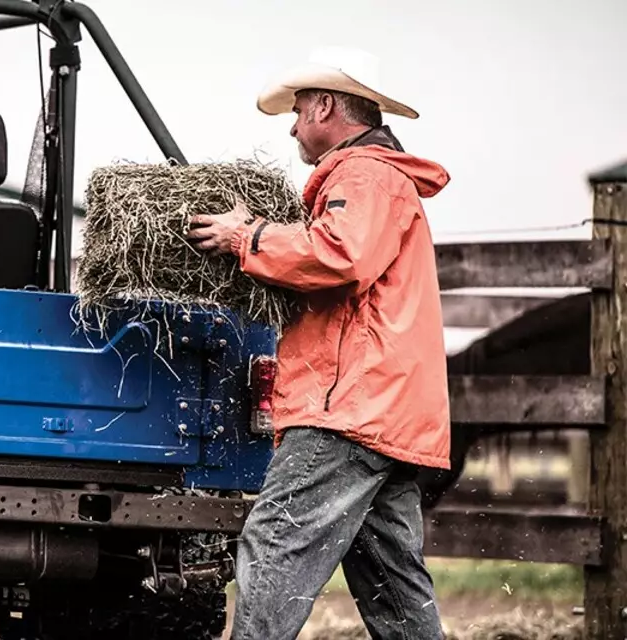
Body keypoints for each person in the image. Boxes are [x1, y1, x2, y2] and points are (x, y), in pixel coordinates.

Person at [186, 46, 452, 639]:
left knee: (275, 540)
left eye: (300, 109)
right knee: (393, 583)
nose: (293, 123)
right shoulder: (382, 179)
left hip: (348, 410)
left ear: (327, 106)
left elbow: (339, 255)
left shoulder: (364, 175)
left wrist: (244, 235)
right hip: (388, 414)